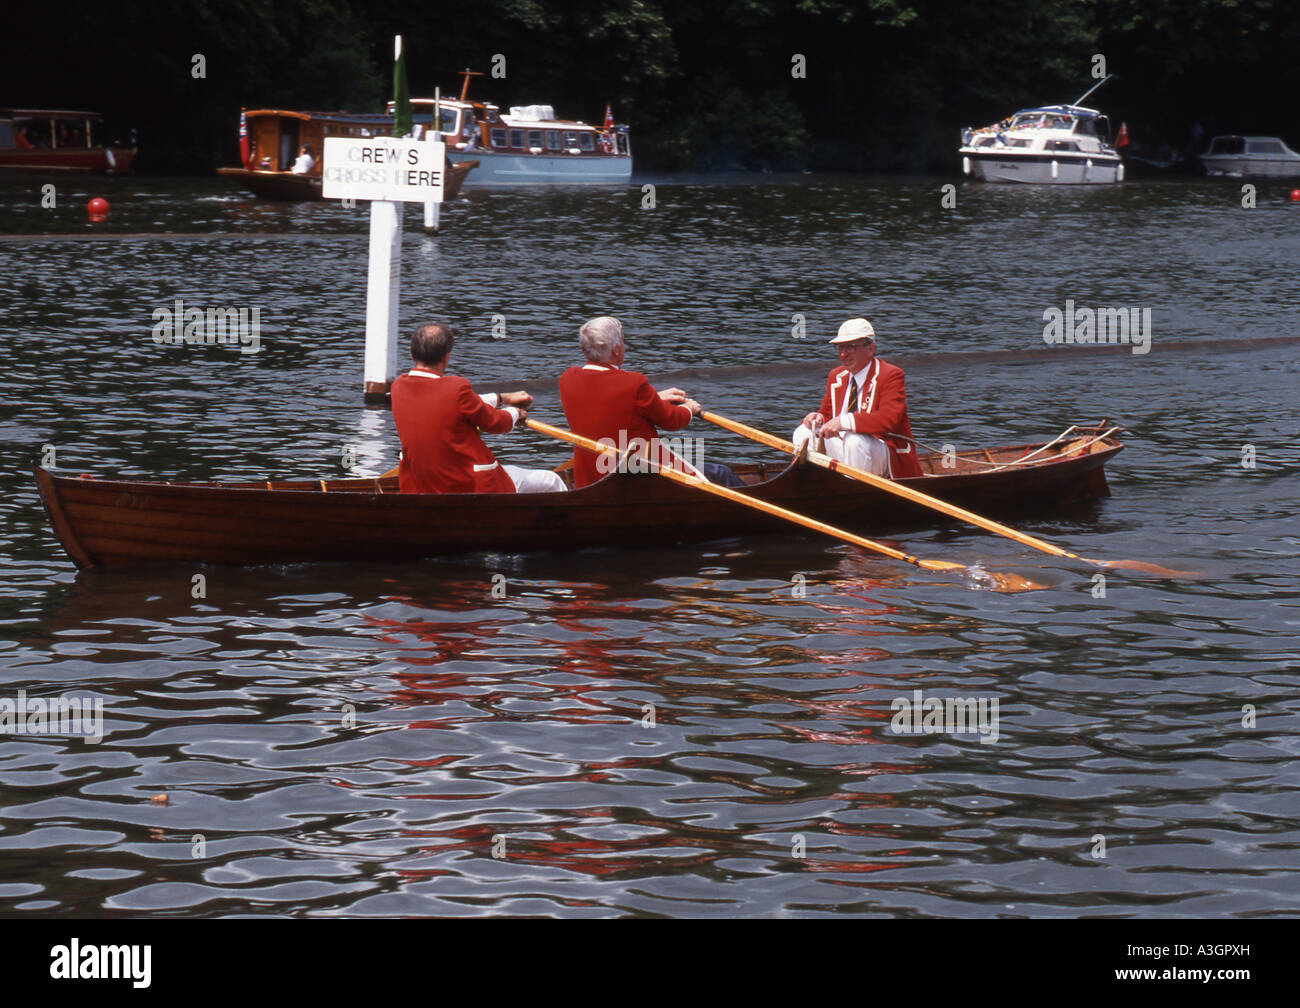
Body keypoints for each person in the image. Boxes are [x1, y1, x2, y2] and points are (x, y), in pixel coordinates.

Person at [558, 316, 742, 489]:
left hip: (590, 476)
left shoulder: (567, 379)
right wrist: (689, 409)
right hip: (637, 477)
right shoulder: (633, 383)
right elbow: (670, 420)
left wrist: (655, 397)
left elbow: (605, 401)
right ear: (616, 350)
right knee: (722, 473)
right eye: (623, 341)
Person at [390, 323, 565, 494]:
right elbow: (495, 423)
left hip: (422, 482)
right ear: (446, 357)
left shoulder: (398, 387)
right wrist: (515, 412)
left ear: (413, 355)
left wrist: (501, 398)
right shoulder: (456, 388)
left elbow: (458, 403)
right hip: (470, 484)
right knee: (551, 480)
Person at [793, 317, 923, 479]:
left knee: (855, 440)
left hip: (884, 453)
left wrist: (844, 421)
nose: (843, 354)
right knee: (802, 433)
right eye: (840, 347)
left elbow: (889, 420)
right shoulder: (836, 376)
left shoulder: (891, 374)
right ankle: (818, 483)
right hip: (846, 446)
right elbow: (828, 413)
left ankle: (854, 489)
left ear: (870, 349)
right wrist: (818, 417)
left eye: (851, 347)